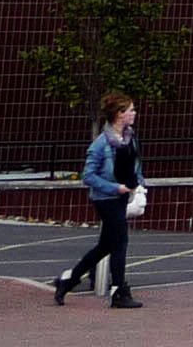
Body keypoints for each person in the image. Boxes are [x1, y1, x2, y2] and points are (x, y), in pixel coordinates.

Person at [53, 92, 144, 308]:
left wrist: (139, 185)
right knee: (120, 242)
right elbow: (89, 176)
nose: (134, 113)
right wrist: (115, 187)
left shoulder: (130, 138)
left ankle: (68, 280)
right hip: (105, 199)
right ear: (119, 114)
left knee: (106, 245)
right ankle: (119, 291)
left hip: (122, 197)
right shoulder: (101, 144)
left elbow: (136, 166)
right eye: (130, 110)